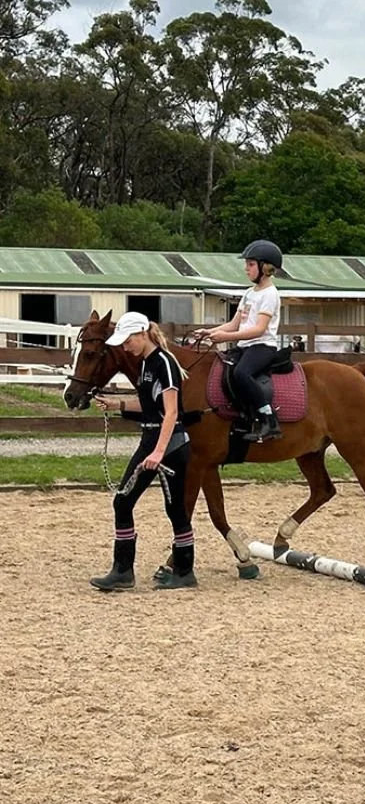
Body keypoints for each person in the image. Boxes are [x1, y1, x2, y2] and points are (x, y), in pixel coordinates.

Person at [90, 312, 197, 592]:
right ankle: (126, 571)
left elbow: (172, 411)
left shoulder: (163, 363)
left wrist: (159, 452)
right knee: (125, 501)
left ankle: (177, 571)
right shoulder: (147, 364)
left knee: (170, 508)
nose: (125, 348)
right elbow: (149, 403)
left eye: (127, 342)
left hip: (168, 444)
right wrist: (118, 406)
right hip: (153, 440)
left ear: (141, 334)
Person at [195, 239, 283, 442]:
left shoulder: (270, 295)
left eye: (251, 264)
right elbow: (234, 324)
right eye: (247, 264)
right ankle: (242, 417)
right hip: (245, 346)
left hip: (262, 347)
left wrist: (225, 338)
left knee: (242, 373)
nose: (246, 269)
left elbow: (259, 329)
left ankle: (269, 419)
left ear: (265, 267)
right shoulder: (249, 293)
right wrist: (209, 332)